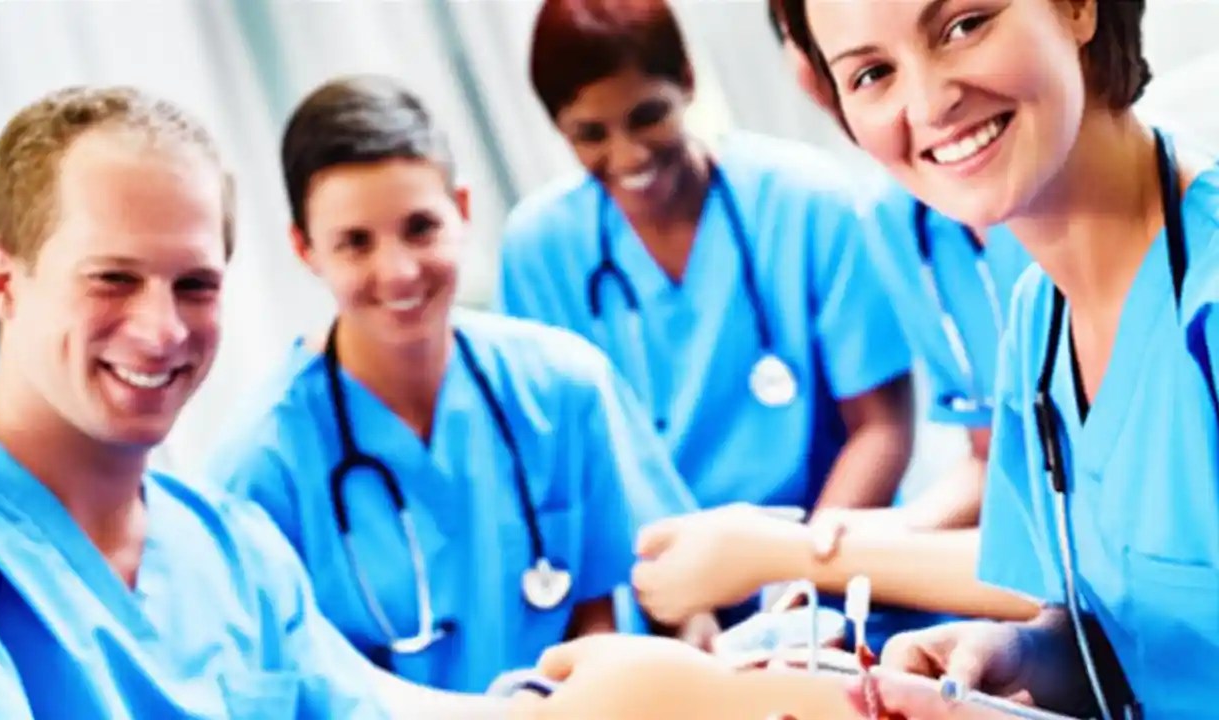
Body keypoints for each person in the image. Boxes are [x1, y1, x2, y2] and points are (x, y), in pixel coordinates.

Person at [508, 0, 1219, 717]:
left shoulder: (1206, 309)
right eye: (873, 73)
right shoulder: (1038, 327)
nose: (929, 103)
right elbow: (1125, 630)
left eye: (965, 25)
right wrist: (1013, 656)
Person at [0, 85, 518, 719]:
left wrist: (565, 705)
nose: (161, 331)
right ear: (2, 282)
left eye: (194, 285)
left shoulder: (233, 549)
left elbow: (371, 707)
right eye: (112, 279)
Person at [208, 74, 697, 695]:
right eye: (355, 243)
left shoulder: (563, 387)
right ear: (305, 248)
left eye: (420, 228)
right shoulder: (261, 470)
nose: (399, 272)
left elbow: (604, 609)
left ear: (461, 211)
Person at [498, 0, 916, 627]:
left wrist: (795, 577)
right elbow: (577, 473)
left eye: (648, 116)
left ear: (688, 80)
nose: (629, 154)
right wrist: (683, 604)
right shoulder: (541, 251)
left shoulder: (805, 202)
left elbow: (881, 428)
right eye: (591, 133)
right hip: (664, 593)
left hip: (832, 566)